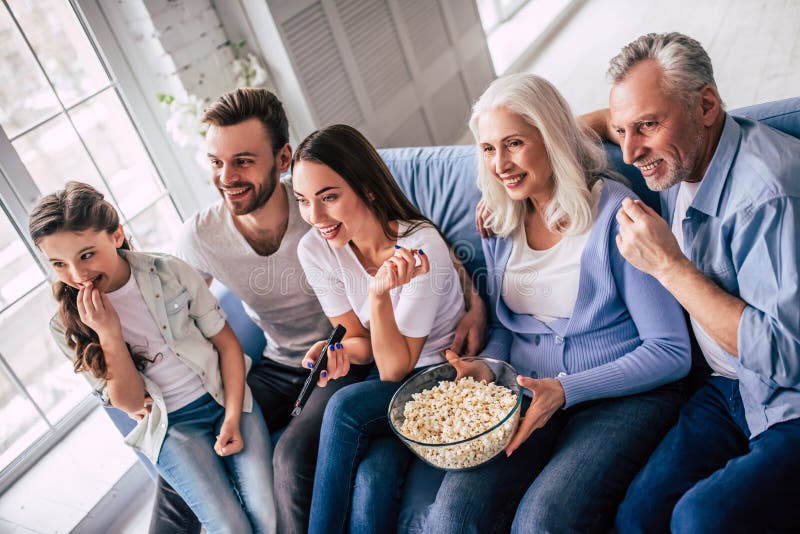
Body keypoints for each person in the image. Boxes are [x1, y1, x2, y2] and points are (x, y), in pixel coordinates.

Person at [156, 87, 487, 534]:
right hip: (298, 362)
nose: (228, 176)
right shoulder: (305, 238)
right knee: (187, 429)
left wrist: (474, 299)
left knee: (309, 443)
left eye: (244, 160)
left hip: (392, 368)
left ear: (281, 159)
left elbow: (424, 244)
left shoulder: (336, 204)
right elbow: (354, 335)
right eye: (216, 162)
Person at [424, 73, 691, 533]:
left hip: (621, 396)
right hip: (528, 394)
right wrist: (488, 368)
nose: (500, 164)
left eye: (513, 144)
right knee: (452, 516)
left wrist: (567, 389)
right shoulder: (501, 221)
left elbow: (671, 351)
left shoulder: (617, 217)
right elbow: (512, 327)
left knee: (542, 521)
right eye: (488, 149)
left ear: (550, 139)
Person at [584, 33, 800, 532]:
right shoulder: (682, 157)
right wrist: (552, 145)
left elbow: (787, 357)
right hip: (727, 388)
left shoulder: (765, 196)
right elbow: (626, 116)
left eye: (648, 126)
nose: (632, 151)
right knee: (637, 518)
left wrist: (668, 267)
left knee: (699, 519)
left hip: (787, 399)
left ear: (706, 105)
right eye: (621, 131)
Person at [29, 182, 275, 534]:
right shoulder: (65, 326)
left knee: (268, 516)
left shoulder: (169, 271)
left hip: (225, 399)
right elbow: (129, 404)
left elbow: (228, 346)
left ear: (116, 235)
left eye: (86, 255)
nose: (77, 275)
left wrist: (233, 417)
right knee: (229, 526)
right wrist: (108, 333)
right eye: (59, 264)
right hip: (171, 429)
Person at [292, 124, 467, 533]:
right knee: (373, 480)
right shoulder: (315, 248)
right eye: (303, 201)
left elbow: (394, 369)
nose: (315, 217)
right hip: (389, 371)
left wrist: (377, 294)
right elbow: (361, 342)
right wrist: (333, 351)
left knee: (343, 407)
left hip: (438, 374)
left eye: (329, 197)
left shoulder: (419, 249)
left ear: (367, 188)